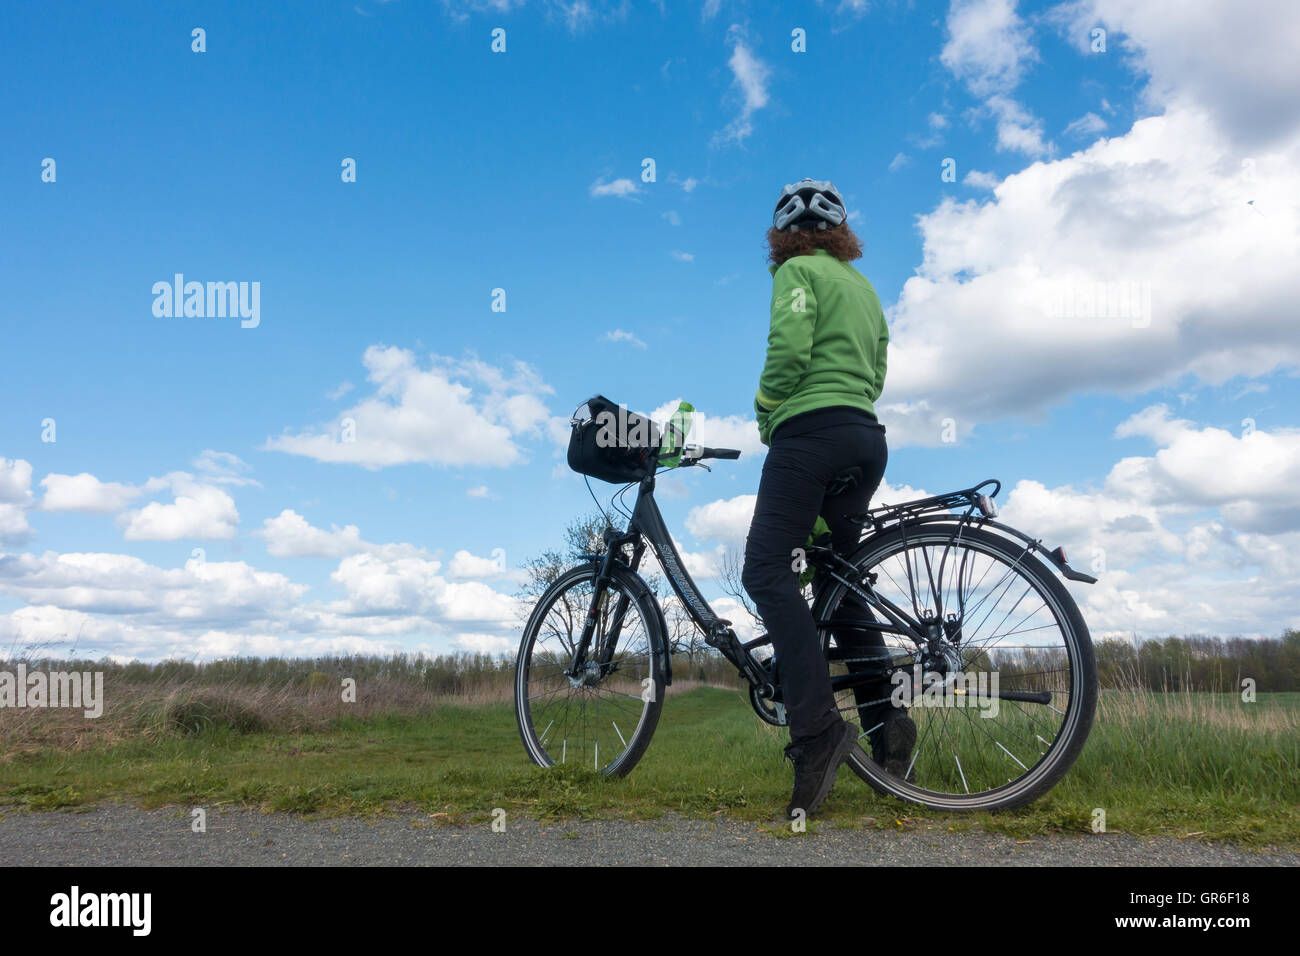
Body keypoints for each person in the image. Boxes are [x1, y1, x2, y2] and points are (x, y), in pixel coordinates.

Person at [742, 178, 915, 819]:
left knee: (765, 570)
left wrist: (766, 410)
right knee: (836, 583)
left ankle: (816, 733)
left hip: (809, 436)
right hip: (864, 437)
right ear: (841, 230)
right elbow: (877, 368)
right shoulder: (862, 285)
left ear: (784, 235)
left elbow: (788, 351)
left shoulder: (795, 274)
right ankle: (887, 724)